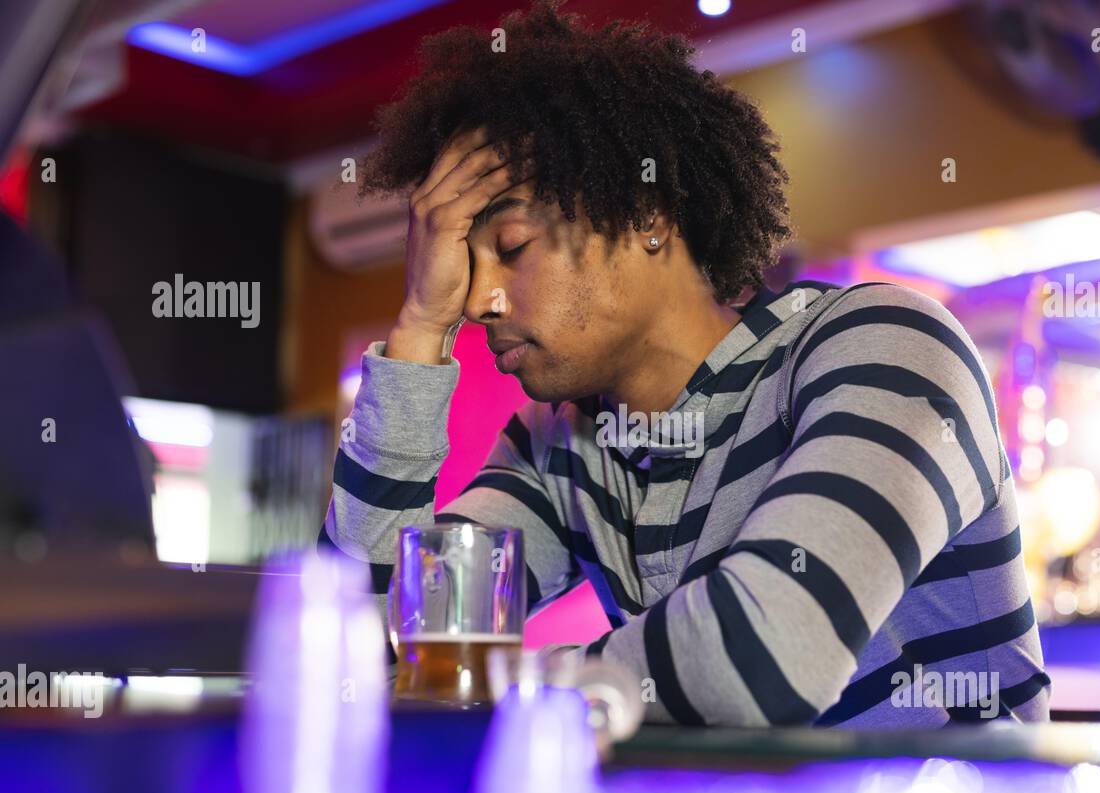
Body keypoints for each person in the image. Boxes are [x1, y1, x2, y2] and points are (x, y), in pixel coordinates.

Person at [319, 0, 1049, 728]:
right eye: (460, 270)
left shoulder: (883, 342)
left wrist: (500, 684)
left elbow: (764, 657)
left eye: (511, 248)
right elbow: (375, 646)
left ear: (646, 216)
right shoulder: (565, 439)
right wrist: (420, 326)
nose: (477, 300)